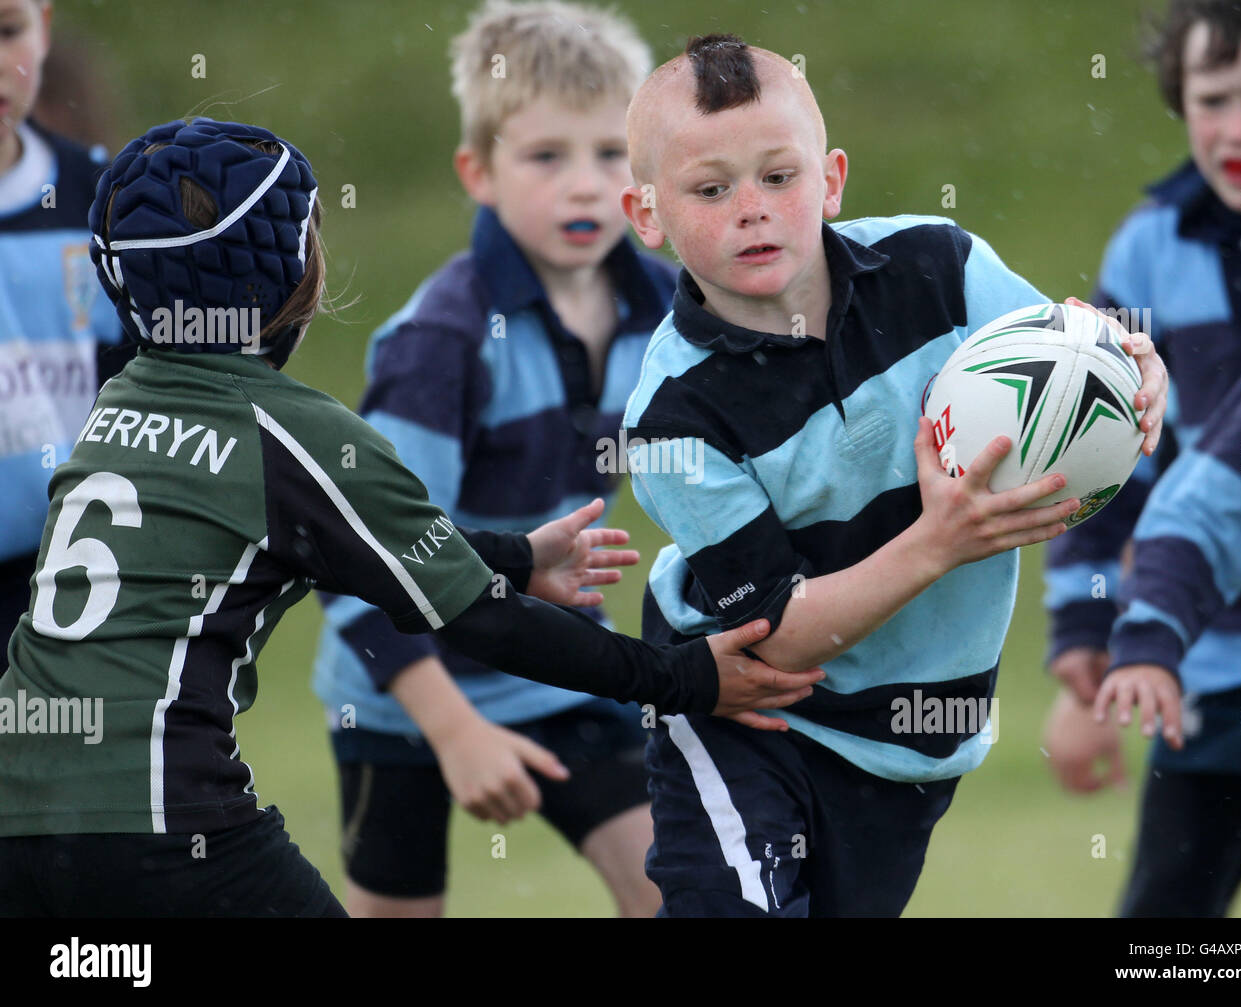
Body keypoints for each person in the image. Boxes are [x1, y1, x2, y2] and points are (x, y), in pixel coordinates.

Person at [0, 116, 824, 918]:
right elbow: (488, 628)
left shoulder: (118, 406)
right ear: (282, 270)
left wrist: (508, 555)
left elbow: (343, 538)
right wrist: (686, 678)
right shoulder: (289, 430)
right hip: (164, 825)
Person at [616, 34, 1169, 917]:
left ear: (831, 179)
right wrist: (940, 541)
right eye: (711, 189)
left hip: (912, 740)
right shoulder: (671, 417)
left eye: (779, 177)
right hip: (749, 719)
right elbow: (781, 636)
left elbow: (1072, 355)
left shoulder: (941, 268)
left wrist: (1136, 372)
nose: (752, 210)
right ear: (647, 216)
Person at [312, 0, 680, 919]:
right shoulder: (442, 339)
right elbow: (360, 560)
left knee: (678, 893)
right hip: (403, 689)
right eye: (547, 156)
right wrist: (454, 729)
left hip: (557, 658)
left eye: (610, 155)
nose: (588, 187)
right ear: (478, 170)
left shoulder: (671, 310)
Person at [1041, 0, 1241, 916]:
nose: (1238, 128)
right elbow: (1110, 457)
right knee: (1167, 928)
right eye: (1212, 96)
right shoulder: (1149, 249)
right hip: (1212, 655)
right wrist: (1089, 632)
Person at [0, 0, 125, 647]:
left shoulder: (101, 200)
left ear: (44, 29)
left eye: (7, 30)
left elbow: (137, 404)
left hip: (64, 591)